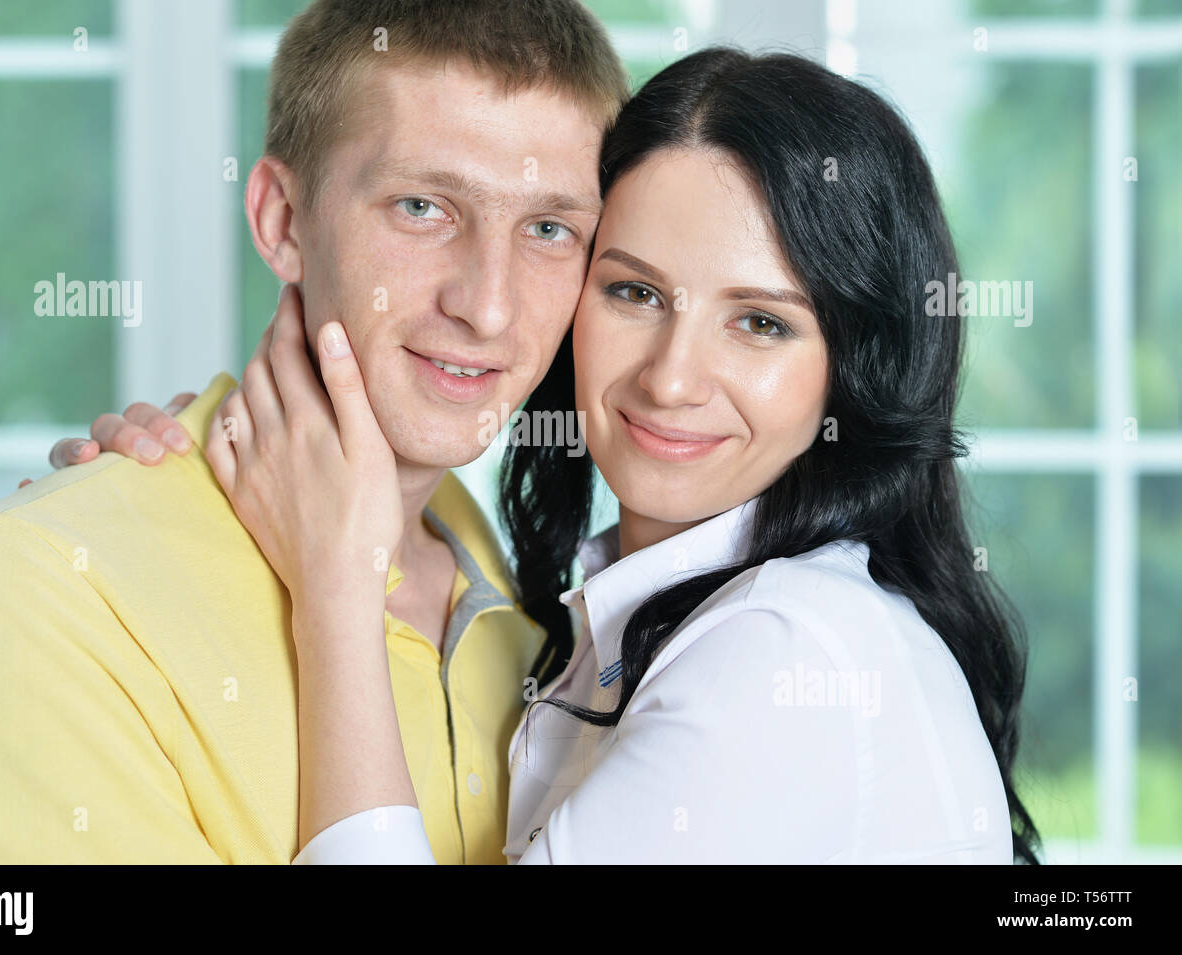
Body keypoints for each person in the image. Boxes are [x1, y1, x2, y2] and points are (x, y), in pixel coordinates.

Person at [66, 49, 1043, 863]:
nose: (670, 378)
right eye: (632, 293)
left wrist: (336, 587)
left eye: (758, 322)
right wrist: (154, 497)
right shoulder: (581, 609)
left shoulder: (786, 654)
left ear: (852, 364)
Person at [0, 0, 628, 864]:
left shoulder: (538, 616)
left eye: (548, 228)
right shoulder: (32, 593)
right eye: (423, 205)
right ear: (282, 222)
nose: (488, 305)